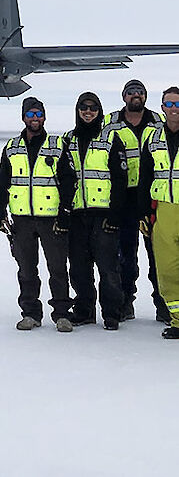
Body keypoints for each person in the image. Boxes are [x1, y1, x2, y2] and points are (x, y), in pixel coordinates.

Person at [0, 97, 72, 331]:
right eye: (30, 115)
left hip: (51, 219)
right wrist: (0, 213)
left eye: (38, 114)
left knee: (57, 268)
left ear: (44, 117)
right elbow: (2, 183)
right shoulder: (11, 147)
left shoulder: (56, 145)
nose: (35, 119)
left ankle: (61, 314)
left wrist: (65, 212)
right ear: (23, 118)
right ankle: (30, 313)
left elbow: (69, 181)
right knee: (26, 268)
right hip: (21, 219)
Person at [58, 91, 128, 330]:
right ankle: (84, 310)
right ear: (77, 111)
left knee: (108, 266)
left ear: (99, 111)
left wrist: (115, 214)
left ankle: (111, 312)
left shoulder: (110, 138)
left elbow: (121, 178)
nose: (88, 112)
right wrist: (64, 212)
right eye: (84, 108)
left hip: (104, 213)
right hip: (77, 213)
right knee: (78, 266)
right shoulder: (68, 140)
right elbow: (61, 178)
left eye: (93, 108)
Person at [103, 79, 169, 322]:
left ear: (145, 96)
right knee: (125, 253)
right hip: (124, 197)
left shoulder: (158, 123)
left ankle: (163, 304)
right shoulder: (110, 123)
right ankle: (125, 302)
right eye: (131, 93)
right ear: (124, 97)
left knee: (158, 254)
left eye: (139, 92)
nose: (135, 96)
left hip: (154, 196)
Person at [139, 86, 179, 339]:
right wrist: (144, 212)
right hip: (163, 211)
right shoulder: (152, 138)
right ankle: (177, 320)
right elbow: (145, 177)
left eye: (178, 104)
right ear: (162, 108)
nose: (174, 110)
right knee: (167, 269)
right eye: (170, 105)